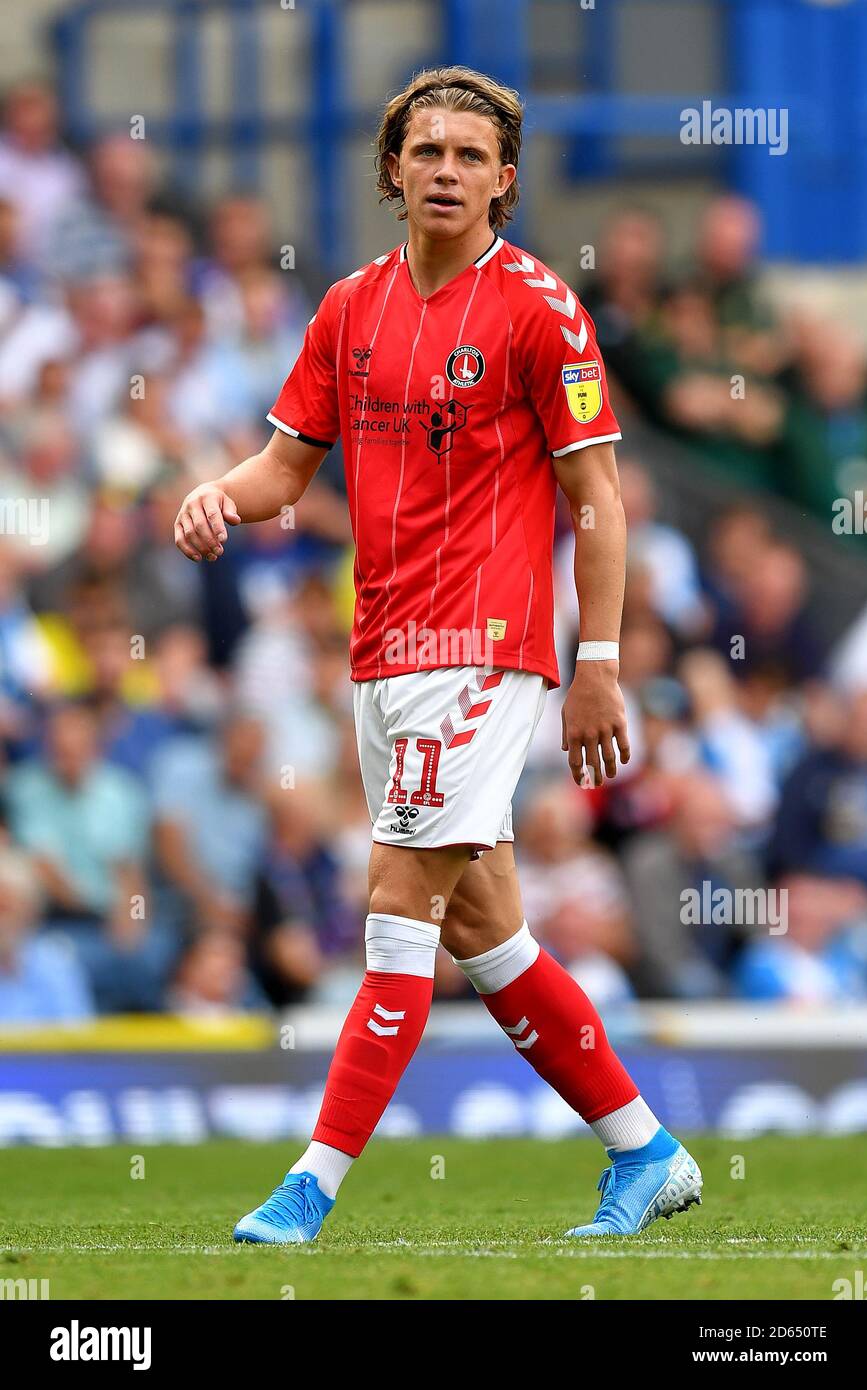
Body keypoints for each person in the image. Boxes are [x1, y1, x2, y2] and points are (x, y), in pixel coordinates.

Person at [174, 65, 702, 1243]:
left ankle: (308, 1185)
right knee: (481, 928)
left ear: (505, 182)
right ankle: (645, 1149)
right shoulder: (348, 310)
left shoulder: (539, 310)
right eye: (428, 153)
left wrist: (600, 658)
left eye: (472, 156)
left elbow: (598, 501)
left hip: (487, 651)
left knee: (400, 902)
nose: (448, 171)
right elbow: (285, 466)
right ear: (392, 171)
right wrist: (220, 495)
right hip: (382, 653)